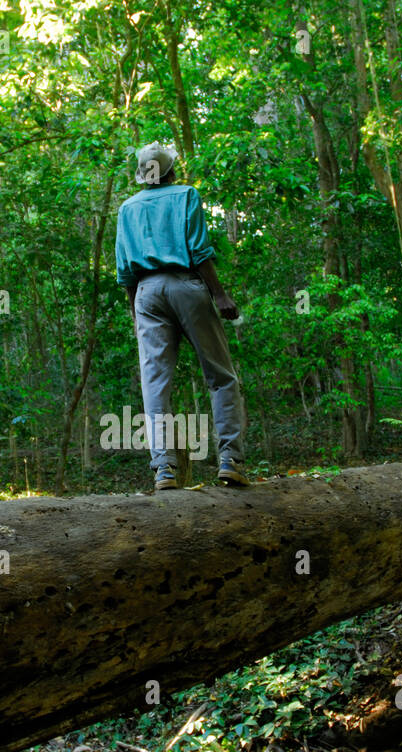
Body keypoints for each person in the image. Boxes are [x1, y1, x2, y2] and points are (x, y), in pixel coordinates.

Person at [114, 142, 249, 491]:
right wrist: (219, 293)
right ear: (172, 169)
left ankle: (164, 470)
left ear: (143, 175)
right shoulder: (185, 195)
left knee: (155, 384)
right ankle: (230, 461)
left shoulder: (127, 209)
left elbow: (125, 271)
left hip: (146, 293)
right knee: (220, 375)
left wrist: (136, 312)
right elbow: (199, 249)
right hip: (186, 286)